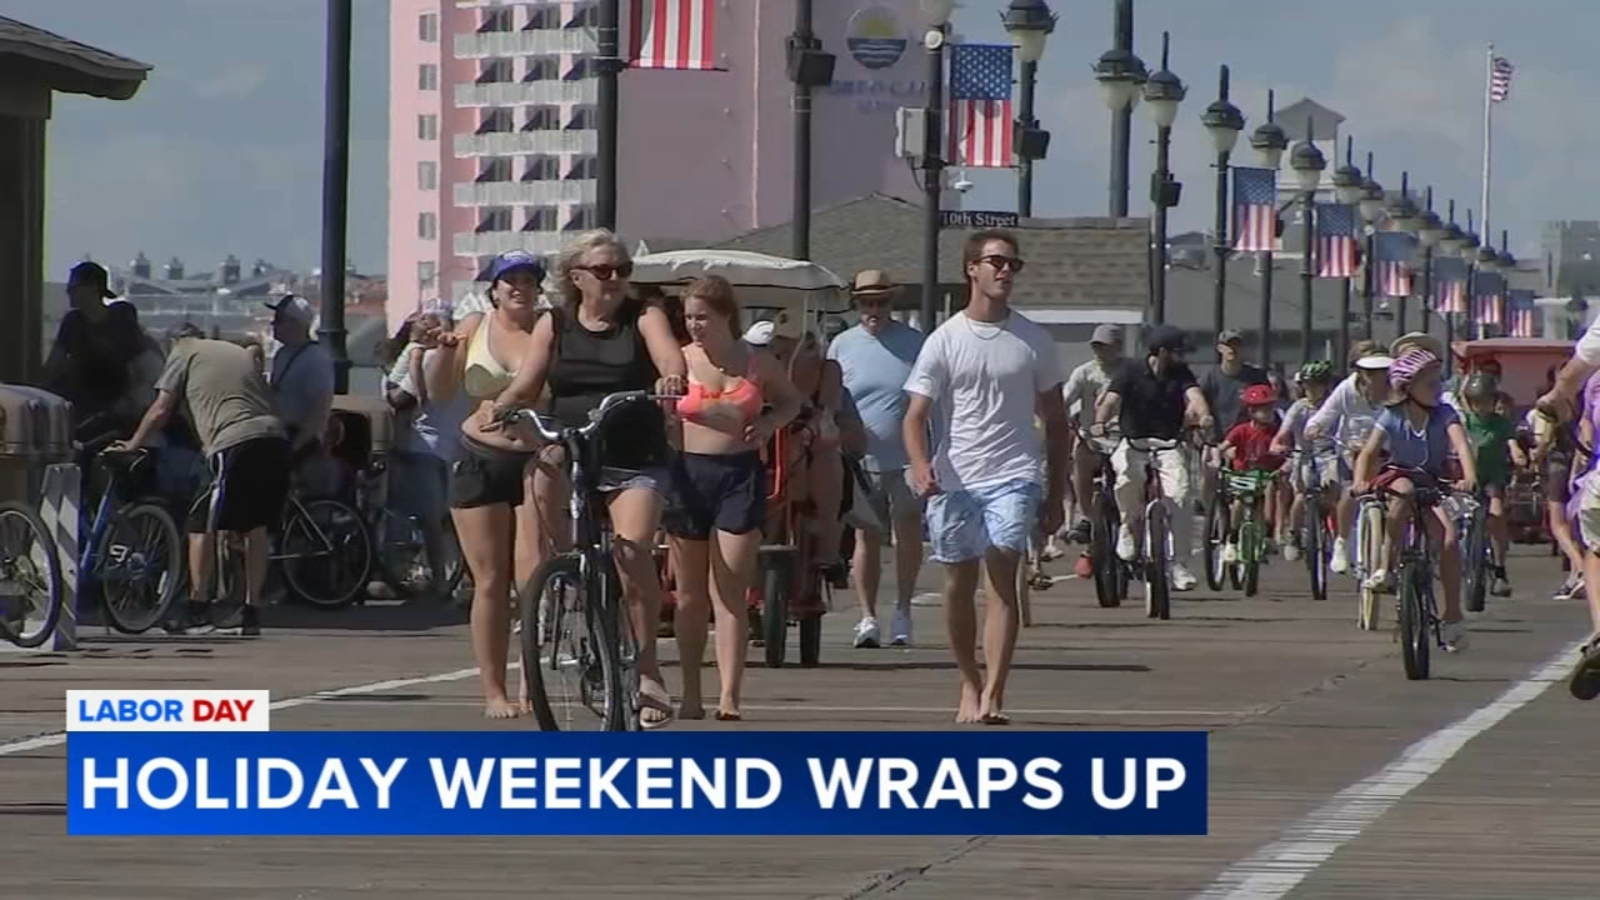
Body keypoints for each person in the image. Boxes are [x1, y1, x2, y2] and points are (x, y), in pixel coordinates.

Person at [489, 231, 687, 727]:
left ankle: (647, 671)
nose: (616, 279)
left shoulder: (643, 315)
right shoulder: (553, 323)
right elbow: (531, 379)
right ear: (576, 277)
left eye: (622, 269)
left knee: (631, 549)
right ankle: (556, 580)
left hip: (633, 451)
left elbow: (669, 357)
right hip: (574, 443)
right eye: (604, 271)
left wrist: (670, 377)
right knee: (540, 475)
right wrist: (507, 402)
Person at [903, 230, 1068, 724]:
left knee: (1003, 566)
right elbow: (914, 415)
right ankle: (969, 682)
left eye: (1013, 264)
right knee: (958, 579)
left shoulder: (1034, 340)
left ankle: (995, 692)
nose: (1004, 271)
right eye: (995, 262)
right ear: (971, 268)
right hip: (955, 477)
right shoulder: (946, 339)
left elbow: (1057, 422)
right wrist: (919, 462)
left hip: (1015, 473)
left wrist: (1056, 493)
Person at [421, 250, 554, 718]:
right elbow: (439, 392)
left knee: (533, 575)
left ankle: (529, 682)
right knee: (491, 580)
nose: (519, 287)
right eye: (509, 280)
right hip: (480, 454)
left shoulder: (550, 328)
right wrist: (441, 350)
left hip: (538, 458)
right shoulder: (476, 326)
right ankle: (494, 689)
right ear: (493, 288)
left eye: (528, 279)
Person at [664, 275, 802, 720]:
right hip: (687, 472)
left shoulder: (756, 361)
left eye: (702, 316)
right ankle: (689, 691)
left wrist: (767, 424)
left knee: (730, 589)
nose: (695, 326)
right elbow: (657, 405)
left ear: (726, 315)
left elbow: (790, 403)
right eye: (688, 317)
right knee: (688, 595)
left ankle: (728, 694)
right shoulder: (679, 361)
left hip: (738, 473)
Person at [112, 323, 290, 637]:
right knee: (255, 526)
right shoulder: (234, 352)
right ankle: (251, 613)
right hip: (273, 438)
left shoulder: (184, 352)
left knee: (200, 523)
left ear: (174, 340)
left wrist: (133, 444)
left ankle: (197, 607)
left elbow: (161, 408)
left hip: (233, 440)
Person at [826, 270, 926, 648]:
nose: (874, 309)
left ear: (891, 303)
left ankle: (903, 610)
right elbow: (831, 398)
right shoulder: (842, 344)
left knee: (907, 530)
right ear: (856, 304)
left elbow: (929, 400)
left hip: (906, 456)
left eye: (881, 301)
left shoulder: (916, 343)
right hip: (859, 458)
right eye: (867, 302)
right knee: (866, 536)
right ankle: (867, 616)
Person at [1352, 348, 1476, 652]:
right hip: (1399, 475)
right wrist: (1360, 480)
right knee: (1403, 491)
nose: (1438, 389)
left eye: (1438, 382)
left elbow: (1460, 445)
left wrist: (1469, 476)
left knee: (1448, 539)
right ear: (1407, 387)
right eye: (1430, 384)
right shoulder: (1392, 415)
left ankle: (1452, 614)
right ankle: (1386, 563)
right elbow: (1369, 453)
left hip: (1434, 479)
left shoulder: (1444, 413)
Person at [1094, 324, 1213, 591]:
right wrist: (1100, 421)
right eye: (1176, 352)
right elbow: (1111, 400)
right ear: (1160, 352)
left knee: (1181, 495)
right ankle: (1128, 527)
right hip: (1134, 443)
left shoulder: (1180, 373)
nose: (1181, 358)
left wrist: (1203, 415)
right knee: (1126, 479)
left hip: (1169, 445)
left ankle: (1178, 564)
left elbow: (1195, 397)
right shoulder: (1131, 371)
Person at [387, 299, 471, 600]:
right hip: (461, 446)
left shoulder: (426, 358)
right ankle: (467, 579)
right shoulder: (467, 359)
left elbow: (398, 398)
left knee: (430, 520)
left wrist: (409, 351)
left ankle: (440, 582)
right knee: (459, 519)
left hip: (425, 446)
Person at [1305, 345, 1393, 574]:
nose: (1377, 377)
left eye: (1381, 370)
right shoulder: (1347, 389)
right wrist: (1315, 427)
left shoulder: (1396, 388)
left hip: (1387, 452)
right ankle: (1342, 543)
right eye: (1370, 371)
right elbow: (1324, 414)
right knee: (1349, 493)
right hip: (1352, 451)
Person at [1061, 324, 1124, 551]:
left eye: (1105, 346)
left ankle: (1131, 517)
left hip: (1123, 438)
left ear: (1118, 347)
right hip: (1093, 438)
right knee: (1081, 460)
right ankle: (1087, 515)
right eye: (1096, 346)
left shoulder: (1130, 371)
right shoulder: (1084, 373)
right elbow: (1065, 400)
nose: (1099, 352)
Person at [264, 294, 335, 490]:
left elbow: (320, 409)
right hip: (280, 436)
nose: (273, 325)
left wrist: (296, 446)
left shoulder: (316, 359)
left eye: (279, 320)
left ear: (296, 323)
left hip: (301, 442)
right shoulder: (281, 354)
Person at [1271, 361, 1339, 563]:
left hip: (1329, 453)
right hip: (1303, 454)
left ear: (1326, 385)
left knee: (1334, 494)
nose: (1311, 389)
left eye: (1316, 384)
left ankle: (1336, 538)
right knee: (1300, 496)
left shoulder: (1333, 405)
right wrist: (1278, 445)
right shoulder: (1299, 407)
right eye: (1307, 385)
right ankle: (1294, 534)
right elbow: (1282, 433)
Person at [1199, 330, 1269, 512]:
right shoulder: (1210, 377)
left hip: (1245, 439)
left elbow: (1267, 406)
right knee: (1209, 472)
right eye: (1228, 345)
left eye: (1237, 345)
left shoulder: (1255, 377)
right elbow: (1198, 404)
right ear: (1220, 348)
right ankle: (1209, 514)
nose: (1233, 350)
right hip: (1215, 438)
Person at [1531, 363, 1584, 599]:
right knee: (1578, 522)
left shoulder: (1552, 404)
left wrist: (1536, 456)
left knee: (1558, 522)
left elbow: (1546, 439)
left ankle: (1579, 565)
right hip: (1583, 462)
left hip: (1560, 460)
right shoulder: (1585, 399)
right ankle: (1575, 574)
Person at [1220, 384, 1287, 563]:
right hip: (1242, 475)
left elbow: (1285, 448)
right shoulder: (1241, 430)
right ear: (1251, 411)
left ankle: (1268, 532)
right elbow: (1225, 446)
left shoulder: (1275, 432)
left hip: (1264, 476)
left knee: (1270, 490)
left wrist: (1283, 455)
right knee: (1238, 503)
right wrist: (1218, 455)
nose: (1268, 412)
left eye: (1269, 408)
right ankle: (1232, 540)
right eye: (1262, 409)